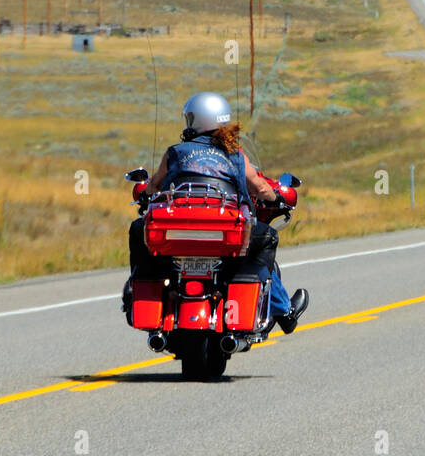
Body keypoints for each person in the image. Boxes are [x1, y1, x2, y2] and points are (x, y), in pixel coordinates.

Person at [124, 92, 310, 335]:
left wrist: (145, 193)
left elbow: (154, 185)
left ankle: (135, 290)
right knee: (266, 241)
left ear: (196, 120)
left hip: (179, 231)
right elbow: (260, 187)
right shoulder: (235, 154)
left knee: (140, 229)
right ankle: (283, 312)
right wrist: (277, 197)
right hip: (225, 231)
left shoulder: (176, 152)